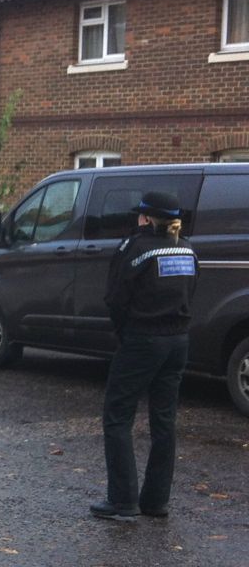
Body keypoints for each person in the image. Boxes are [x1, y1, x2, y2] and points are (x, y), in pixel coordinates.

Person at [92, 191, 198, 521]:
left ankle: (123, 501)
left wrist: (126, 335)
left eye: (140, 214)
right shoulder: (187, 248)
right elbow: (191, 292)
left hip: (143, 339)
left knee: (118, 415)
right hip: (178, 341)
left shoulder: (135, 248)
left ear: (147, 218)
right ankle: (155, 501)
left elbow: (115, 298)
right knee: (164, 422)